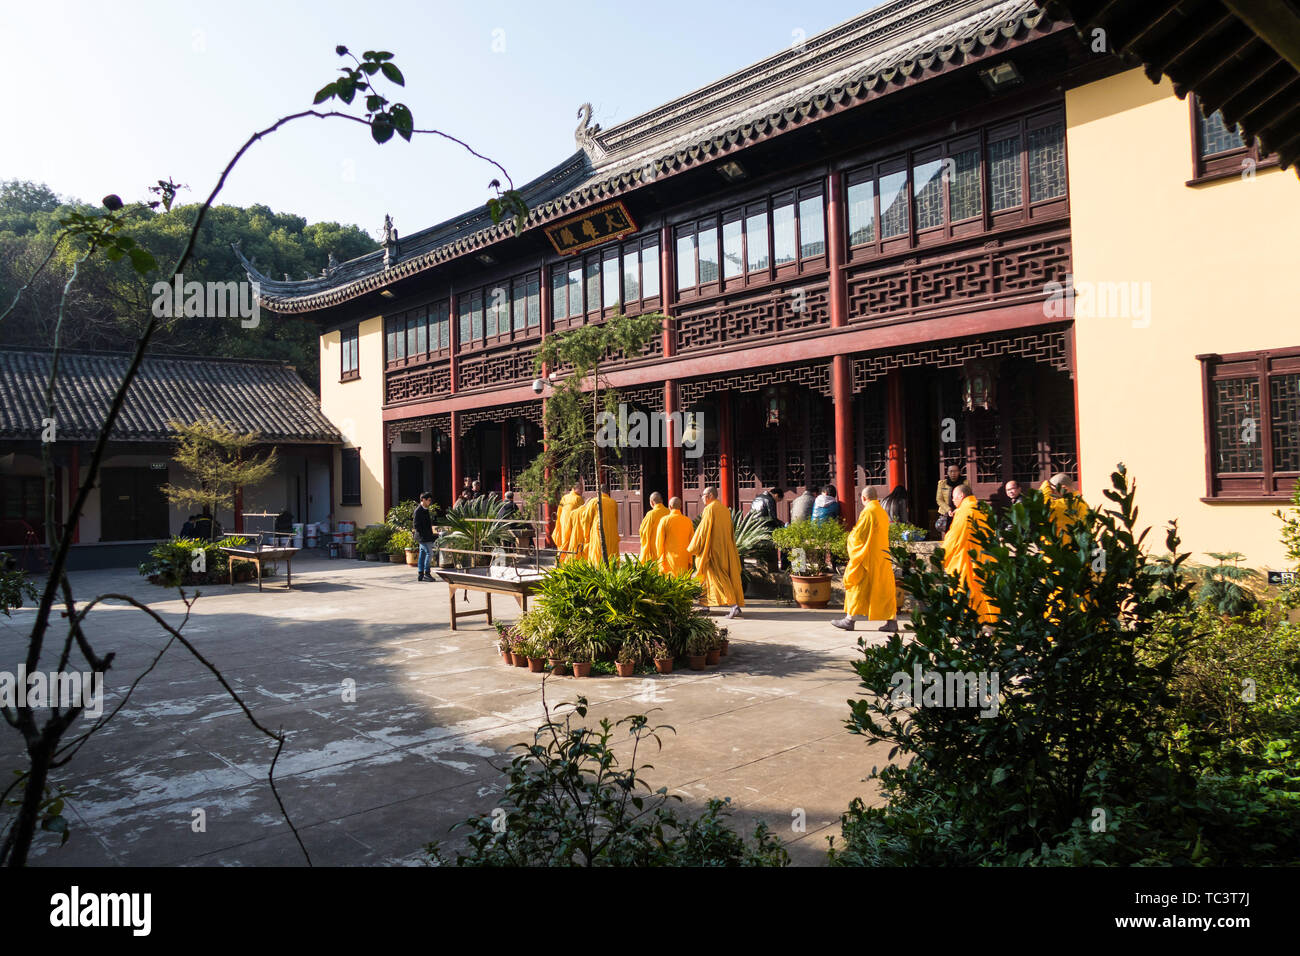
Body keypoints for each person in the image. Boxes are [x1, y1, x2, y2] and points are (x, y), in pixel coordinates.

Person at [832, 487, 898, 632]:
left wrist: (849, 538)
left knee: (857, 587)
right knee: (883, 589)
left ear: (863, 498)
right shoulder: (881, 511)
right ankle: (892, 621)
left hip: (867, 557)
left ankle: (849, 620)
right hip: (881, 556)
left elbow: (858, 536)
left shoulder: (868, 512)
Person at [942, 483, 996, 624]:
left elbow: (953, 539)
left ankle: (971, 625)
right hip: (984, 559)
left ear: (961, 496)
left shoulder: (964, 512)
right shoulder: (981, 509)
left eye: (954, 497)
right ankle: (990, 623)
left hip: (966, 560)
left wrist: (941, 556)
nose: (953, 501)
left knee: (967, 592)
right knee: (984, 592)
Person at [688, 486, 744, 619]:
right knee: (706, 579)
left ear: (710, 495)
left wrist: (693, 547)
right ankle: (705, 606)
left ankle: (734, 606)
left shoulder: (710, 509)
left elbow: (703, 530)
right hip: (725, 548)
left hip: (713, 551)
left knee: (719, 578)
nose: (702, 498)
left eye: (703, 495)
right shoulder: (724, 509)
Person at [1041, 473, 1088, 539]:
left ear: (1064, 488)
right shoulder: (1082, 503)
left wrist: (1044, 487)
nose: (1052, 493)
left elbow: (1046, 505)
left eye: (1052, 490)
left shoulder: (1067, 504)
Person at [580, 484, 620, 563]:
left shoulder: (594, 501)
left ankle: (599, 573)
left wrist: (586, 535)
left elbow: (586, 520)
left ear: (597, 492)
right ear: (608, 492)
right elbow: (616, 520)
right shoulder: (613, 502)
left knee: (598, 555)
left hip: (598, 534)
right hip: (612, 534)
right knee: (611, 555)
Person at [655, 497, 694, 575]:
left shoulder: (664, 520)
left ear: (670, 507)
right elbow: (692, 541)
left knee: (671, 582)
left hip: (669, 560)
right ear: (680, 507)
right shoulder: (688, 521)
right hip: (684, 558)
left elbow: (659, 542)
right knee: (682, 582)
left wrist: (659, 558)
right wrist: (690, 558)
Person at [554, 484, 584, 563]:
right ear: (575, 489)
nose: (582, 491)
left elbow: (559, 511)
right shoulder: (579, 499)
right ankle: (569, 562)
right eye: (581, 489)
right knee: (571, 542)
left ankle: (560, 561)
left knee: (564, 542)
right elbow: (583, 513)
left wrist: (558, 524)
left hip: (563, 523)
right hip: (573, 524)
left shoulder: (564, 498)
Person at [638, 492, 669, 564]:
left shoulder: (651, 514)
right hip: (666, 545)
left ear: (651, 503)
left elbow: (643, 531)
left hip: (654, 546)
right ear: (662, 501)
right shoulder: (669, 512)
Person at [413, 491, 438, 582]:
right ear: (423, 500)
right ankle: (427, 573)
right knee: (429, 553)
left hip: (426, 536)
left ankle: (420, 573)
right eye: (428, 500)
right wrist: (424, 535)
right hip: (422, 537)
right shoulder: (418, 510)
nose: (430, 502)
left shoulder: (425, 509)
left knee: (423, 554)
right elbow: (416, 525)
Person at [935, 465, 963, 536]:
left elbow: (967, 498)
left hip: (960, 512)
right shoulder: (942, 484)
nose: (953, 473)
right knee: (948, 534)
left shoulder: (964, 483)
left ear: (959, 472)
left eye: (955, 471)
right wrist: (948, 509)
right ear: (947, 472)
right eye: (951, 471)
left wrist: (958, 509)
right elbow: (939, 499)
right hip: (946, 513)